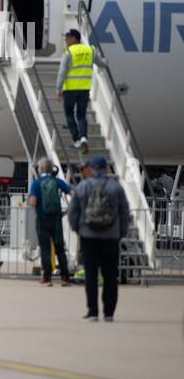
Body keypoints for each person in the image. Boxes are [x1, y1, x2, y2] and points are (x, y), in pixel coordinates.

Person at [67, 156, 131, 322]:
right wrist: (120, 232)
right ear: (107, 169)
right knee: (110, 275)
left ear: (93, 168)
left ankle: (93, 311)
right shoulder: (116, 187)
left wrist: (78, 228)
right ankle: (109, 313)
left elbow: (73, 211)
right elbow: (124, 213)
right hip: (111, 236)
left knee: (91, 274)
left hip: (88, 235)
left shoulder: (83, 185)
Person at [27, 158, 73, 286]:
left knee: (45, 249)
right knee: (60, 249)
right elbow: (72, 193)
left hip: (42, 219)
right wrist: (69, 209)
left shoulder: (37, 183)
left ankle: (47, 277)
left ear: (41, 168)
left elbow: (33, 202)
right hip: (56, 219)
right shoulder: (57, 181)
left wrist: (33, 203)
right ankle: (65, 277)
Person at [56, 29, 100, 151]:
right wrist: (105, 62)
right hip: (84, 89)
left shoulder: (68, 52)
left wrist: (58, 89)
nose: (65, 40)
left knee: (69, 115)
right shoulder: (90, 50)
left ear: (75, 38)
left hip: (70, 90)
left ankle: (76, 140)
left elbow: (62, 73)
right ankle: (84, 138)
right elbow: (101, 63)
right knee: (81, 115)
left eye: (67, 37)